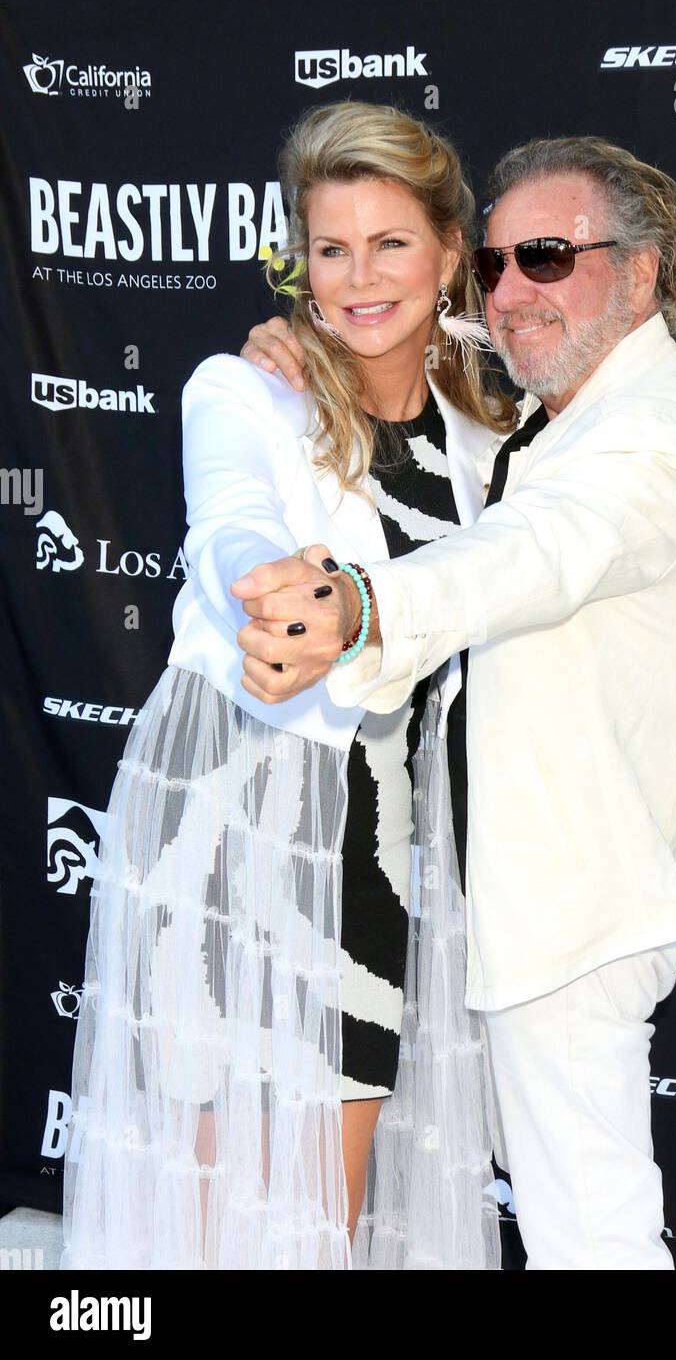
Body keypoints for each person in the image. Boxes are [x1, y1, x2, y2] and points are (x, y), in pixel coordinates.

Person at [231, 135, 676, 1269]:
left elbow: (532, 555)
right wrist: (305, 331)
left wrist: (360, 610)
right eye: (500, 263)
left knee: (590, 1234)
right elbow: (425, 332)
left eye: (550, 258)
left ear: (645, 271)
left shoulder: (655, 428)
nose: (512, 293)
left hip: (573, 906)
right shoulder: (569, 396)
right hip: (512, 896)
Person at [59, 100, 515, 1271]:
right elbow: (230, 522)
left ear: (450, 252)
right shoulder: (246, 387)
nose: (360, 278)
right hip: (222, 811)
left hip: (372, 833)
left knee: (329, 1207)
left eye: (390, 243)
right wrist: (263, 583)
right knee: (215, 1213)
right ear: (300, 263)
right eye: (330, 248)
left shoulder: (497, 422)